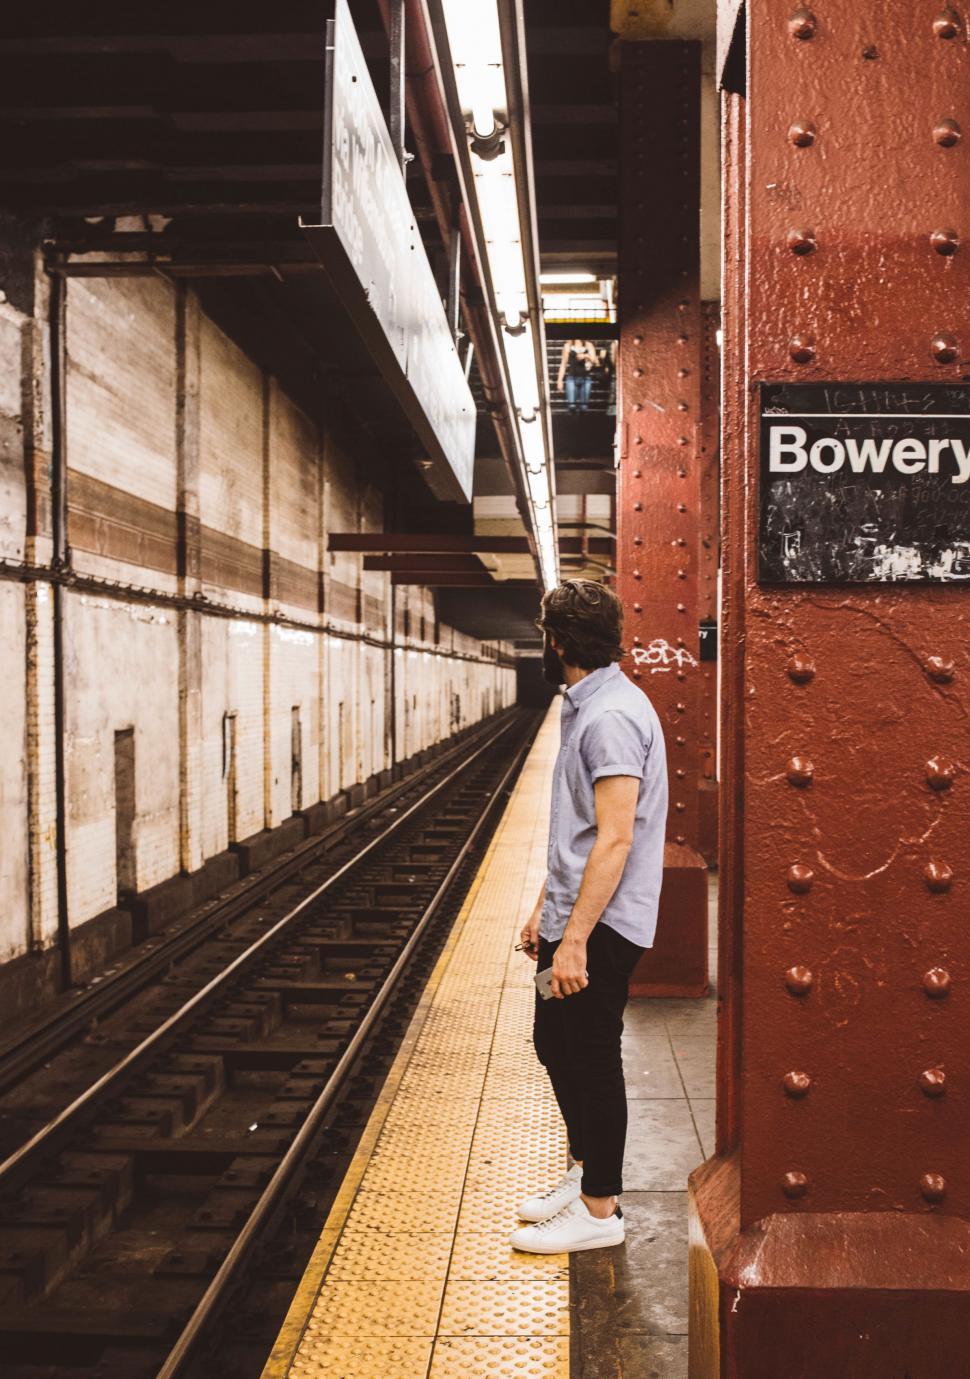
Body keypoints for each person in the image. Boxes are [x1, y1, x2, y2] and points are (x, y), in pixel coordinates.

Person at [510, 579, 667, 1255]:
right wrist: (543, 907)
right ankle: (582, 1175)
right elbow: (578, 830)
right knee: (554, 1040)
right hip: (572, 915)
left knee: (593, 1054)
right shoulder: (588, 705)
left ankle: (600, 1208)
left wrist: (572, 939)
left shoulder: (610, 717)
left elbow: (615, 838)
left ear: (557, 641)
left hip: (600, 927)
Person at [556, 339, 598, 411]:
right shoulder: (568, 345)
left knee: (584, 407)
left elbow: (596, 361)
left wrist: (585, 356)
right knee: (571, 406)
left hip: (586, 379)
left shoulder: (588, 345)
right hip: (571, 378)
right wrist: (559, 380)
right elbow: (563, 364)